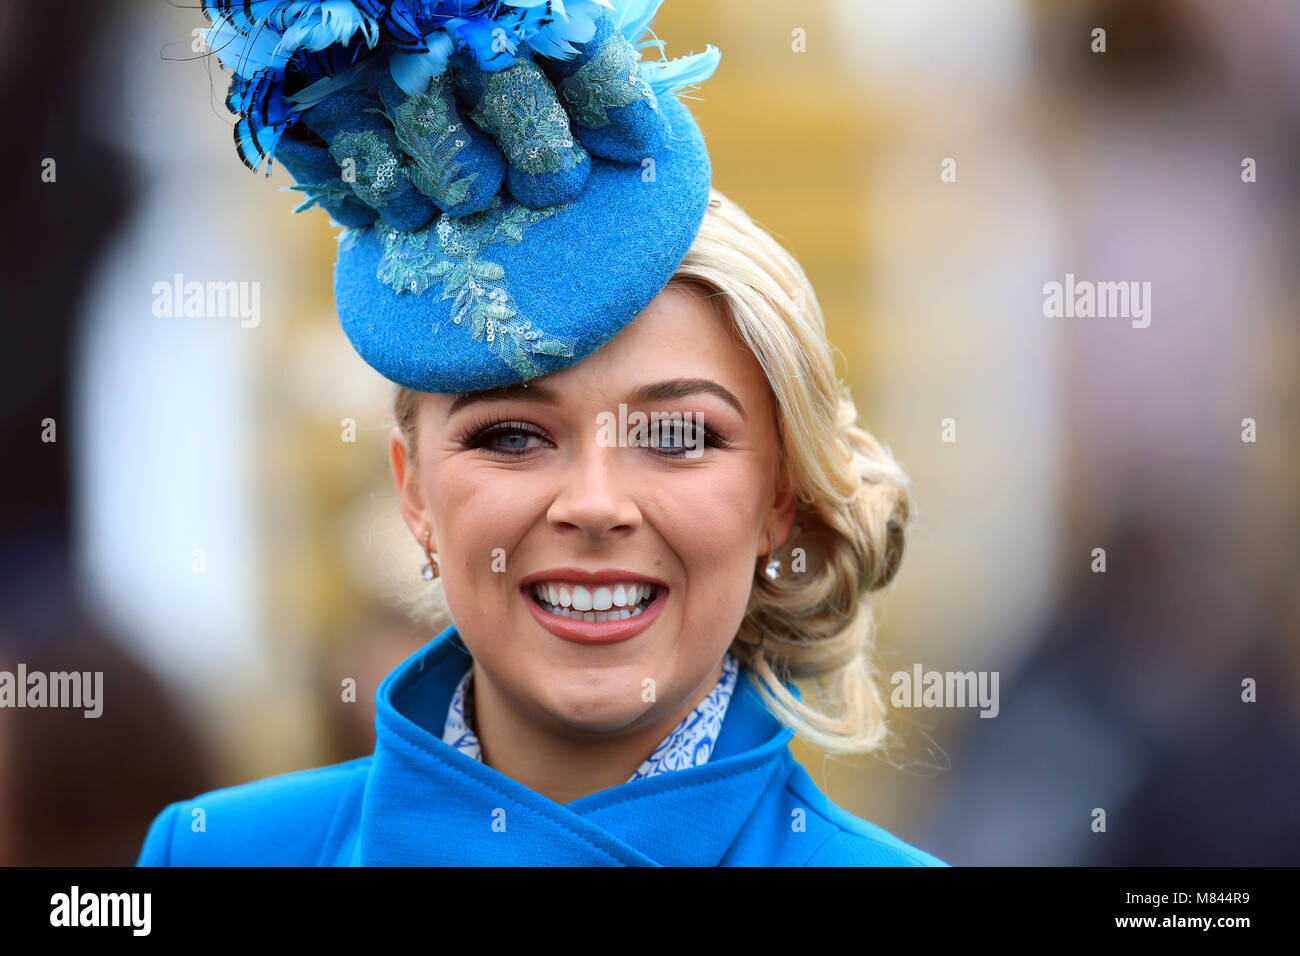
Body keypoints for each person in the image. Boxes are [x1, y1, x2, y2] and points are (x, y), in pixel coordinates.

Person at [137, 0, 947, 866]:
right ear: (412, 492)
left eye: (677, 434)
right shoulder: (217, 853)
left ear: (777, 499)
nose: (595, 506)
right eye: (513, 436)